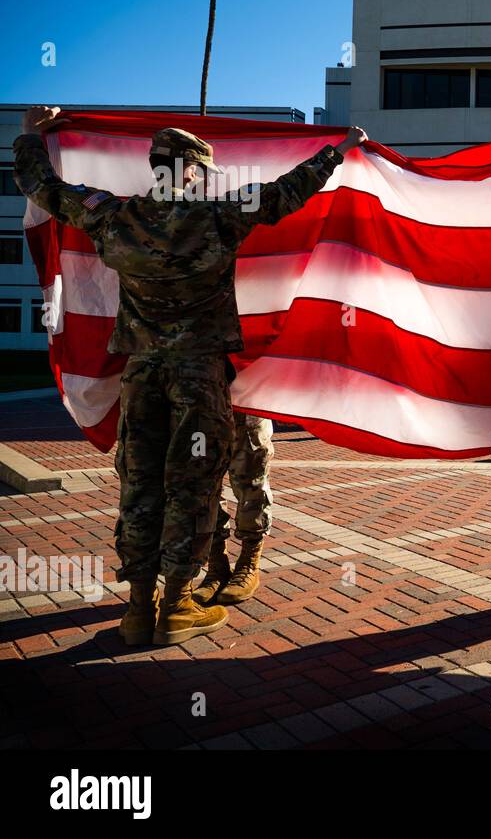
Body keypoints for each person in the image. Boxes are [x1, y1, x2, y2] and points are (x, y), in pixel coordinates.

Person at [13, 106, 366, 646]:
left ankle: (137, 608)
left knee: (140, 485)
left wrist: (31, 137)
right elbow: (286, 192)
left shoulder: (112, 216)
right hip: (199, 377)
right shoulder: (219, 216)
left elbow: (44, 187)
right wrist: (338, 150)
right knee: (192, 488)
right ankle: (177, 603)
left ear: (157, 168)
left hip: (142, 375)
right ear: (195, 172)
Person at [193, 413, 274, 606]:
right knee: (203, 486)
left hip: (247, 404)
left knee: (252, 481)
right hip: (202, 405)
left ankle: (249, 563)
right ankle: (217, 565)